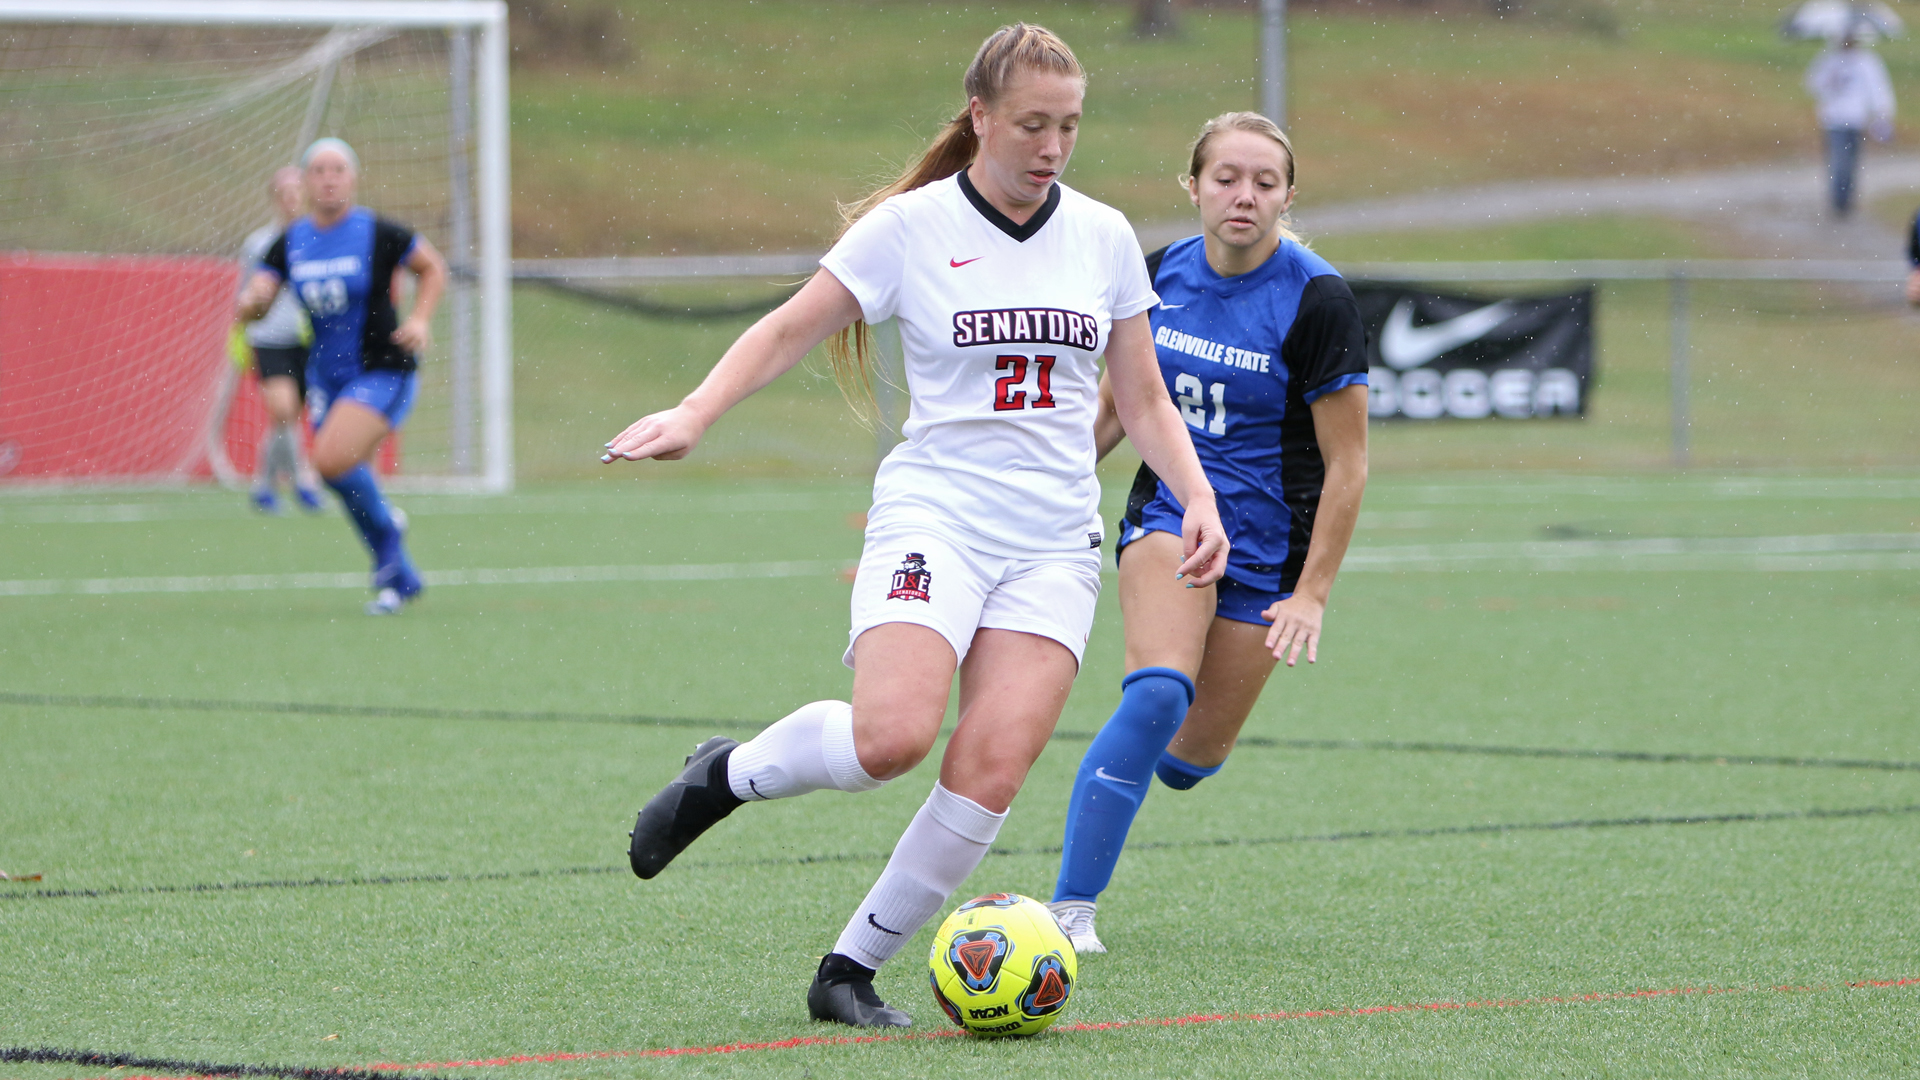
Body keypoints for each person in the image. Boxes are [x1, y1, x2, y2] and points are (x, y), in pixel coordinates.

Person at [604, 24, 1228, 1028]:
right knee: (889, 740)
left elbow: (1145, 399)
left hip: (1052, 543)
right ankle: (726, 773)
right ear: (979, 115)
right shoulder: (909, 228)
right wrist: (694, 412)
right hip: (935, 517)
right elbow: (788, 328)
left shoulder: (1104, 236)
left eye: (1069, 126)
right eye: (1031, 123)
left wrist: (1196, 496)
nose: (1052, 145)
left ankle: (847, 971)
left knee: (991, 766)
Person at [1045, 112, 1370, 954]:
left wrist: (1312, 595)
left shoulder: (1317, 298)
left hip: (1271, 553)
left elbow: (1348, 466)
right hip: (1172, 521)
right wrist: (1041, 483)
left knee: (1187, 760)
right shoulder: (1160, 274)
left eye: (1265, 183)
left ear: (1289, 197)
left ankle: (1157, 756)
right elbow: (1121, 407)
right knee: (1156, 693)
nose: (1244, 196)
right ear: (1192, 186)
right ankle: (1070, 910)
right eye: (1226, 177)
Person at [237, 138, 448, 615]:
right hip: (325, 378)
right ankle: (397, 572)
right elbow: (261, 295)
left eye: (338, 170)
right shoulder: (289, 241)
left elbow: (432, 267)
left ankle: (390, 534)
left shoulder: (378, 232)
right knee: (340, 475)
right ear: (305, 182)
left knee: (330, 461)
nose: (329, 178)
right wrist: (251, 303)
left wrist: (419, 319)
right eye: (318, 170)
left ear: (353, 179)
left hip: (382, 370)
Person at [236, 166, 323, 515]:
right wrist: (242, 332)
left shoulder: (317, 239)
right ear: (275, 199)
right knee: (283, 409)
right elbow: (244, 295)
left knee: (287, 418)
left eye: (296, 191)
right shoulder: (259, 244)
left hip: (306, 340)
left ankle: (263, 486)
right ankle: (303, 480)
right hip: (269, 337)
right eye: (284, 193)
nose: (291, 199)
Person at [1805, 29, 1895, 217]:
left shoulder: (1867, 61)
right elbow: (1813, 84)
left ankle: (1847, 199)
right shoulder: (1829, 59)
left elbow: (1878, 88)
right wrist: (1830, 81)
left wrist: (1883, 115)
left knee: (1852, 161)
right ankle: (1838, 201)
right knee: (1839, 161)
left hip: (1856, 120)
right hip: (1833, 120)